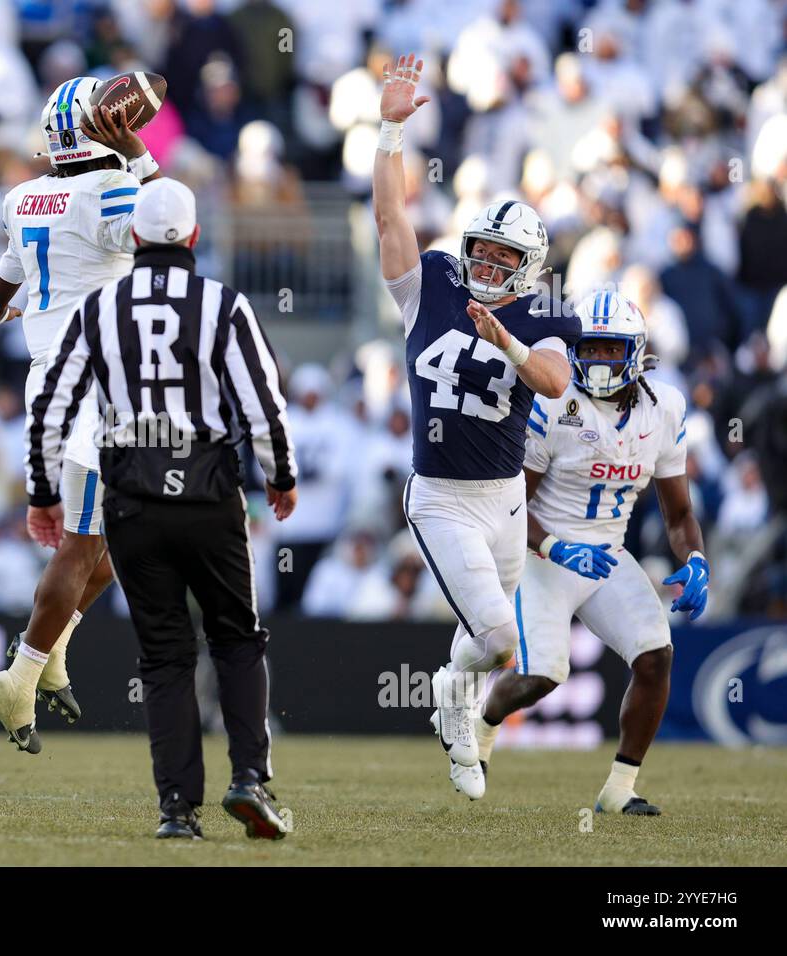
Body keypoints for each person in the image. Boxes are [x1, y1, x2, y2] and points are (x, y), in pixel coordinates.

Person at [26, 178, 298, 841]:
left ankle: (177, 809)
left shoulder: (99, 308)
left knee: (165, 657)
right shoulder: (222, 305)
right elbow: (264, 402)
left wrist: (42, 492)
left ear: (137, 238)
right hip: (206, 484)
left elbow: (52, 407)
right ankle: (249, 778)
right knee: (236, 637)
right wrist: (281, 475)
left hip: (130, 493)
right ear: (196, 236)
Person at [372, 55, 581, 799]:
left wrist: (508, 343)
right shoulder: (429, 283)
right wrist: (390, 128)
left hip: (507, 499)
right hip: (441, 496)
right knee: (499, 640)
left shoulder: (546, 311)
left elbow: (554, 381)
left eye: (504, 257)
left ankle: (451, 698)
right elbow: (391, 216)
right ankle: (453, 700)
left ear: (529, 265)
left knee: (491, 637)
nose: (489, 265)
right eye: (482, 251)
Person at [0, 76, 162, 753]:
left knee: (111, 546)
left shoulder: (22, 198)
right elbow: (165, 236)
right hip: (99, 383)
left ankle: (49, 653)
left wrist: (12, 309)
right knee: (85, 544)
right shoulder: (111, 188)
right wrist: (140, 155)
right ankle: (20, 680)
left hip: (52, 378)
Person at [476, 291, 709, 815]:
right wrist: (557, 548)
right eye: (590, 347)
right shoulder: (553, 401)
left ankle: (619, 788)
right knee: (543, 676)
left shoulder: (664, 407)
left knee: (655, 656)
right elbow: (511, 505)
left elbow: (679, 515)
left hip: (606, 553)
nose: (598, 359)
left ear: (637, 352)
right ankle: (482, 721)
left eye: (610, 349)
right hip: (543, 554)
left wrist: (696, 560)